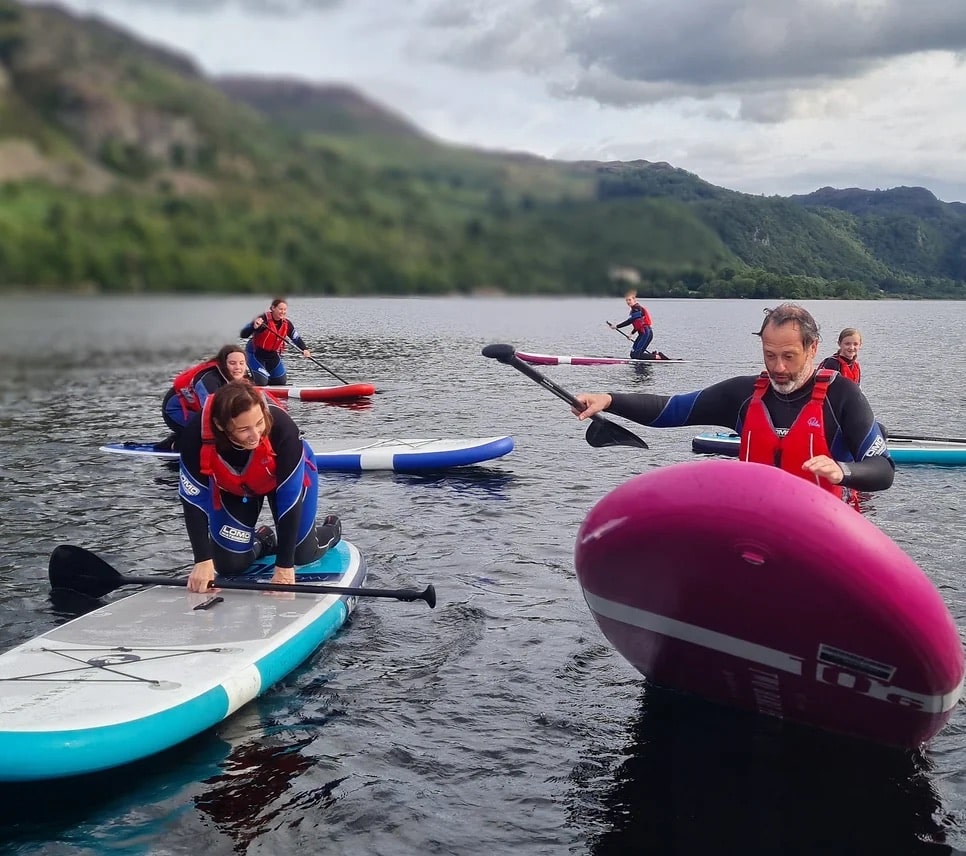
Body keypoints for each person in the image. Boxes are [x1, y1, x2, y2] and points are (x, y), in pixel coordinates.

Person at [575, 303, 894, 498]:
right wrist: (608, 399)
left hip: (825, 538)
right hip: (757, 533)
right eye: (770, 355)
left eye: (789, 356)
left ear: (812, 349)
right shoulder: (742, 395)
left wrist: (842, 470)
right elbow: (671, 409)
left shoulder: (843, 397)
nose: (778, 367)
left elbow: (883, 469)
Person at [178, 380, 341, 592]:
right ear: (220, 426)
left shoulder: (282, 428)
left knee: (300, 555)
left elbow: (290, 500)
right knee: (229, 566)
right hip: (237, 487)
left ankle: (331, 529)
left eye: (259, 423)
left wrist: (284, 566)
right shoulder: (194, 436)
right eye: (244, 429)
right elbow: (193, 501)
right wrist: (202, 560)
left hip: (282, 481)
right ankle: (264, 540)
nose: (256, 435)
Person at [157, 344, 249, 450]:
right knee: (215, 433)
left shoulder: (236, 377)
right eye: (232, 363)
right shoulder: (209, 381)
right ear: (224, 364)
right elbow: (212, 412)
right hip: (174, 411)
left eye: (241, 363)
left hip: (193, 409)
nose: (238, 367)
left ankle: (181, 435)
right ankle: (174, 445)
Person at [240, 298, 312, 386]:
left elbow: (296, 338)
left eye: (285, 309)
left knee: (280, 382)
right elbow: (243, 334)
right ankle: (247, 380)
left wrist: (305, 349)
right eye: (280, 309)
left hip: (272, 355)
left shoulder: (287, 324)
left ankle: (263, 378)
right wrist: (253, 327)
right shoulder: (262, 319)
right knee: (262, 383)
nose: (283, 312)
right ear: (273, 308)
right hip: (255, 354)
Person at [609, 290, 654, 359]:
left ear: (634, 300)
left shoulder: (637, 308)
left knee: (637, 355)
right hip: (642, 333)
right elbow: (638, 325)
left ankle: (657, 357)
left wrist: (617, 326)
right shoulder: (633, 310)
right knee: (633, 354)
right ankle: (653, 356)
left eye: (630, 300)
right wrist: (631, 334)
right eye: (626, 300)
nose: (628, 302)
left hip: (646, 333)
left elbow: (630, 321)